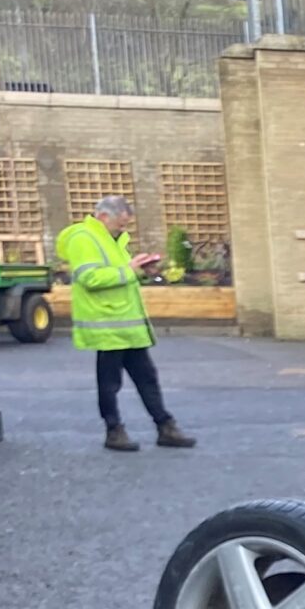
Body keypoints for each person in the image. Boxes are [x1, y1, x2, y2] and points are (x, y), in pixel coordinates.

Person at [59, 193, 195, 453]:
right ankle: (115, 430)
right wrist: (129, 269)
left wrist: (140, 270)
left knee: (147, 378)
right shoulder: (83, 238)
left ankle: (165, 426)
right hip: (106, 323)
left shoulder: (112, 240)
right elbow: (90, 279)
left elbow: (120, 276)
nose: (123, 228)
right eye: (120, 223)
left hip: (126, 324)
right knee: (110, 383)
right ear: (103, 216)